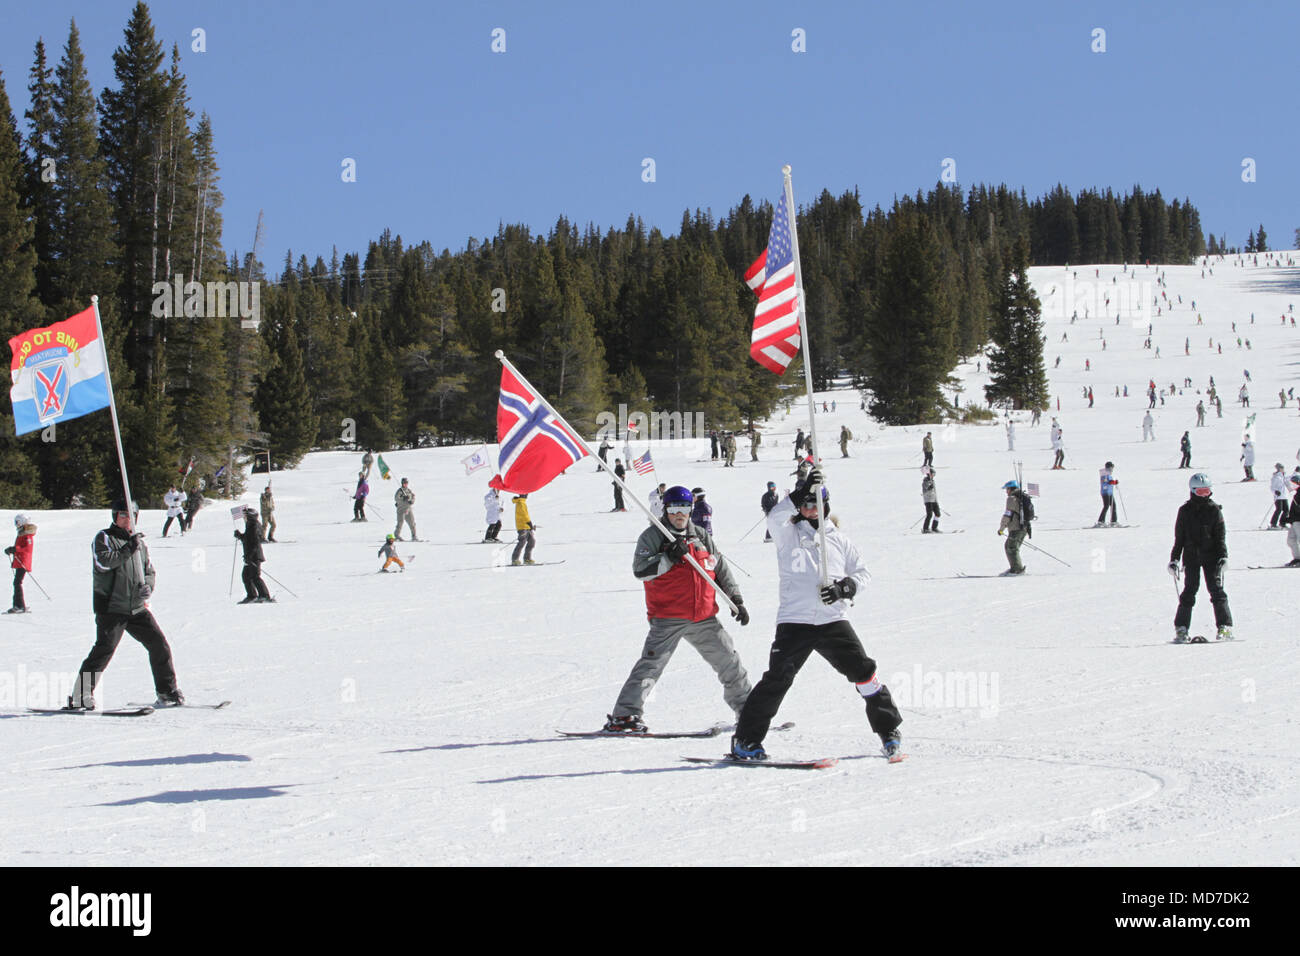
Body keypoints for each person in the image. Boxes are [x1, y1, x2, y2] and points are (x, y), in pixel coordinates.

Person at [731, 468, 903, 761]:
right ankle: (746, 740)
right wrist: (799, 492)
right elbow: (773, 518)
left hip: (832, 619)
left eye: (817, 505)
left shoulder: (840, 540)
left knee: (864, 673)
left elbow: (863, 573)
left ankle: (888, 730)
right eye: (806, 505)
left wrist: (845, 587)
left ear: (827, 506)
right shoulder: (788, 534)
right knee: (777, 679)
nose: (811, 510)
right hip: (795, 621)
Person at [602, 486, 751, 733]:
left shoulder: (701, 535)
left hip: (704, 617)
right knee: (650, 667)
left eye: (684, 509)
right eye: (674, 509)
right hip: (667, 617)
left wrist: (735, 598)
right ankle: (625, 716)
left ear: (691, 509)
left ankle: (747, 711)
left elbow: (719, 567)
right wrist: (669, 557)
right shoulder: (653, 536)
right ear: (666, 510)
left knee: (730, 663)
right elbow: (640, 570)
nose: (679, 514)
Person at [67, 500, 184, 710]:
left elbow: (149, 571)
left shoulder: (139, 544)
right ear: (115, 517)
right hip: (111, 607)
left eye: (132, 515)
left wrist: (148, 586)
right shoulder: (104, 538)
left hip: (136, 608)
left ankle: (167, 691)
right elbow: (104, 563)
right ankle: (80, 696)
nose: (127, 519)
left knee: (159, 645)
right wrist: (128, 549)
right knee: (104, 649)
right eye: (123, 514)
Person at [1168, 474, 1233, 642]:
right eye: (1201, 492)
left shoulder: (1214, 510)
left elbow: (1220, 537)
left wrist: (1223, 557)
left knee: (1217, 591)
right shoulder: (1184, 511)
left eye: (1208, 491)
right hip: (1191, 558)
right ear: (1193, 491)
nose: (1205, 495)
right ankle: (1181, 628)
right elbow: (1179, 538)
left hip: (1211, 557)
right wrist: (1174, 559)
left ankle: (1224, 626)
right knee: (1189, 591)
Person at [234, 506, 273, 603]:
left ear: (250, 516)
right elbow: (248, 540)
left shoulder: (254, 525)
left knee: (255, 576)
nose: (244, 517)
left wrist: (250, 556)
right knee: (246, 576)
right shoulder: (250, 525)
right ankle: (252, 595)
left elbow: (255, 542)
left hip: (254, 556)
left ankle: (264, 595)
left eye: (245, 515)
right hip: (249, 556)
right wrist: (240, 536)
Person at [997, 480, 1030, 574]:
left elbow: (1007, 515)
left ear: (1010, 488)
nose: (1006, 491)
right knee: (1010, 547)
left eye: (1007, 489)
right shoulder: (1022, 497)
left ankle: (1017, 570)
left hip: (1016, 528)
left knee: (1011, 548)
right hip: (1024, 527)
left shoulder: (1012, 499)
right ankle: (1014, 568)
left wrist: (1001, 528)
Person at [6, 514, 35, 614]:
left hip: (23, 562)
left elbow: (27, 548)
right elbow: (20, 547)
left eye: (17, 522)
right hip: (20, 561)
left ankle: (19, 606)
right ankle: (18, 605)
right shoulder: (22, 533)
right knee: (17, 583)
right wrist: (12, 549)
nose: (16, 524)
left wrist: (15, 549)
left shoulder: (27, 535)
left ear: (22, 522)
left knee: (17, 583)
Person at [511, 493, 536, 566]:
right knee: (522, 542)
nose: (527, 495)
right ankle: (515, 559)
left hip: (526, 526)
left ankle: (527, 559)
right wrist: (529, 523)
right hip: (522, 526)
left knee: (532, 541)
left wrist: (529, 524)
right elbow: (524, 515)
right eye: (526, 494)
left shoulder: (522, 502)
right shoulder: (521, 503)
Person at [1269, 463, 1290, 528]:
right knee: (1279, 510)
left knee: (1286, 510)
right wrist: (1275, 491)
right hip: (1278, 497)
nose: (1283, 469)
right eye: (1281, 468)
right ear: (1278, 469)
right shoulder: (1276, 477)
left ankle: (1282, 523)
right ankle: (1273, 524)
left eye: (1283, 468)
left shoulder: (1284, 476)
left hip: (1284, 496)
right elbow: (1272, 487)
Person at [1286, 471, 1300, 567]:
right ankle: (1297, 558)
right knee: (1290, 540)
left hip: (1299, 520)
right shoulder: (1297, 493)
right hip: (1294, 520)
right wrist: (1288, 519)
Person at [921, 467, 940, 533]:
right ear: (929, 474)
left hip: (934, 500)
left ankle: (934, 528)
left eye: (934, 474)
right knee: (929, 515)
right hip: (928, 500)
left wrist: (936, 500)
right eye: (932, 474)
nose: (933, 475)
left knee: (937, 514)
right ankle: (925, 529)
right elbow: (925, 490)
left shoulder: (933, 481)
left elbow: (934, 491)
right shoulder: (925, 481)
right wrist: (929, 487)